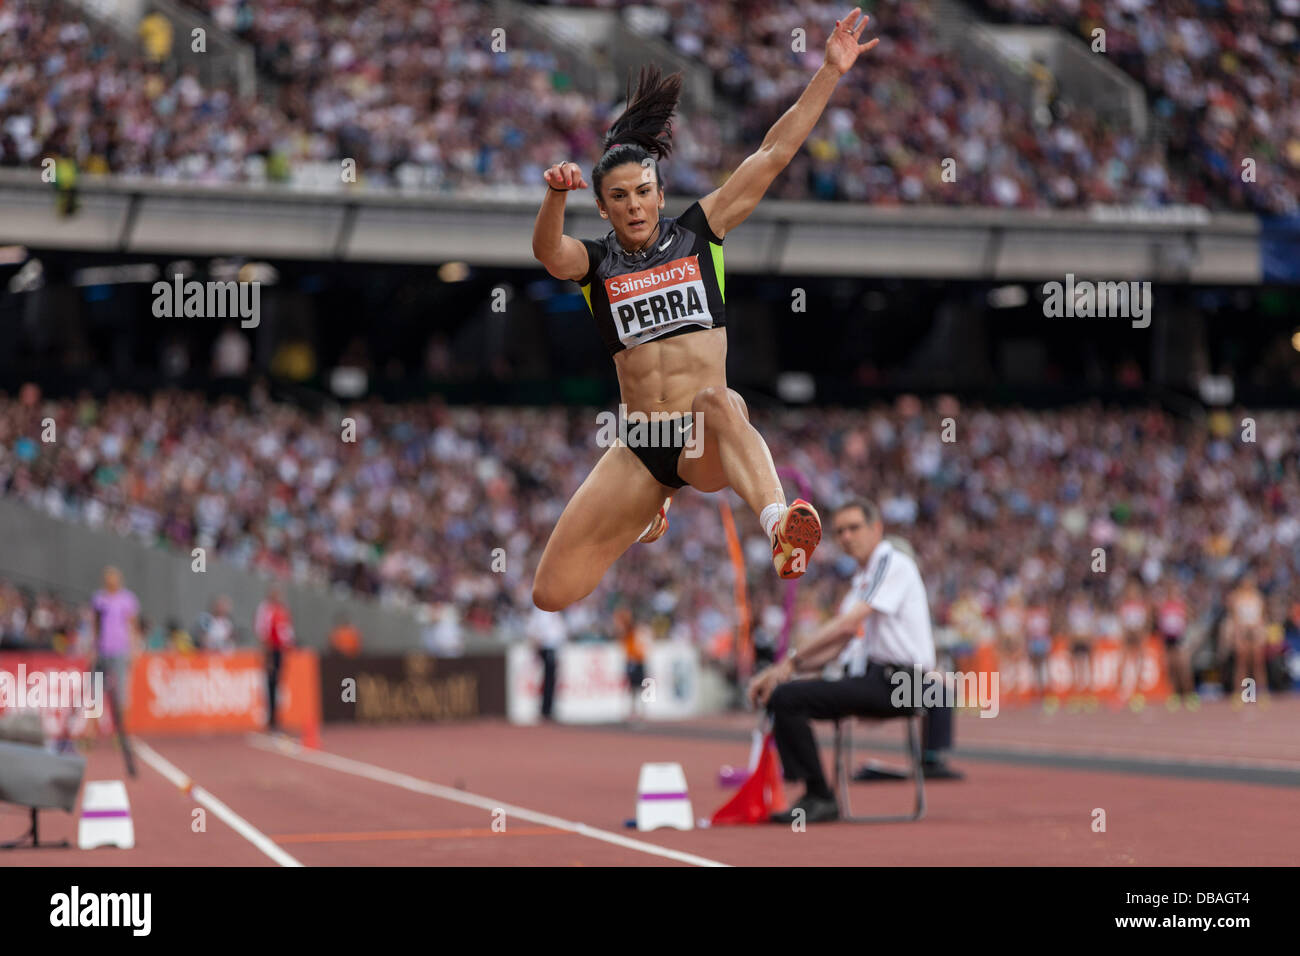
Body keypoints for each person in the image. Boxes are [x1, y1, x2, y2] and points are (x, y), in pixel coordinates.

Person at [529, 9, 883, 613]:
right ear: (603, 207)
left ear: (661, 194)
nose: (635, 206)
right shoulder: (595, 264)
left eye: (644, 192)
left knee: (722, 401)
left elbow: (772, 153)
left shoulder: (700, 234)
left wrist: (828, 72)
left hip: (702, 437)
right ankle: (649, 513)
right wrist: (554, 197)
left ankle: (778, 527)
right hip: (640, 443)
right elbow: (548, 254)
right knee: (549, 593)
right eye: (619, 198)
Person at [747, 499, 956, 824]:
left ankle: (819, 795)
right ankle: (817, 792)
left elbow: (846, 625)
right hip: (880, 679)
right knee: (787, 695)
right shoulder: (866, 577)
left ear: (876, 529)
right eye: (840, 531)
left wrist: (789, 662)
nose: (846, 537)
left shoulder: (892, 562)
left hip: (906, 684)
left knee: (787, 698)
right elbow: (842, 641)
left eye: (854, 528)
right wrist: (788, 669)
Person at [91, 566, 139, 777]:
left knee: (121, 694)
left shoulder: (127, 599)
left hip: (120, 650)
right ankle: (92, 733)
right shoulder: (99, 599)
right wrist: (92, 647)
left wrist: (134, 648)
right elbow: (94, 625)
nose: (111, 581)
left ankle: (121, 735)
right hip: (102, 650)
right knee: (96, 691)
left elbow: (132, 625)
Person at [255, 585, 295, 733]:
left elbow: (286, 632)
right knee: (271, 684)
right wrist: (268, 656)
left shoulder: (282, 610)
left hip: (280, 651)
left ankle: (276, 718)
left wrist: (289, 647)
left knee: (278, 684)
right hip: (272, 651)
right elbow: (263, 633)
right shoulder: (266, 610)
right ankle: (271, 720)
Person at [1225, 570, 1267, 706]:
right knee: (1241, 664)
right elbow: (1235, 618)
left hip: (1254, 633)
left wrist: (1259, 634)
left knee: (1257, 664)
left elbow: (1260, 618)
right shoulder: (1236, 597)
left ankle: (1261, 693)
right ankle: (1241, 694)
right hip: (1243, 633)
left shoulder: (1257, 597)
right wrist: (1237, 635)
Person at [1156, 580, 1198, 709]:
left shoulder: (1182, 605)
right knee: (1171, 668)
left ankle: (1189, 694)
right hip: (1168, 640)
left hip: (1180, 639)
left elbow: (1191, 617)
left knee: (1184, 668)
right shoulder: (1164, 606)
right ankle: (1174, 695)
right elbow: (1160, 624)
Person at [525, 606, 567, 721]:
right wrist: (537, 644)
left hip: (553, 647)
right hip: (546, 647)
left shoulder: (555, 612)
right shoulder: (540, 611)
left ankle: (548, 709)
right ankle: (545, 709)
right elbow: (532, 630)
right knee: (547, 679)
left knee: (551, 679)